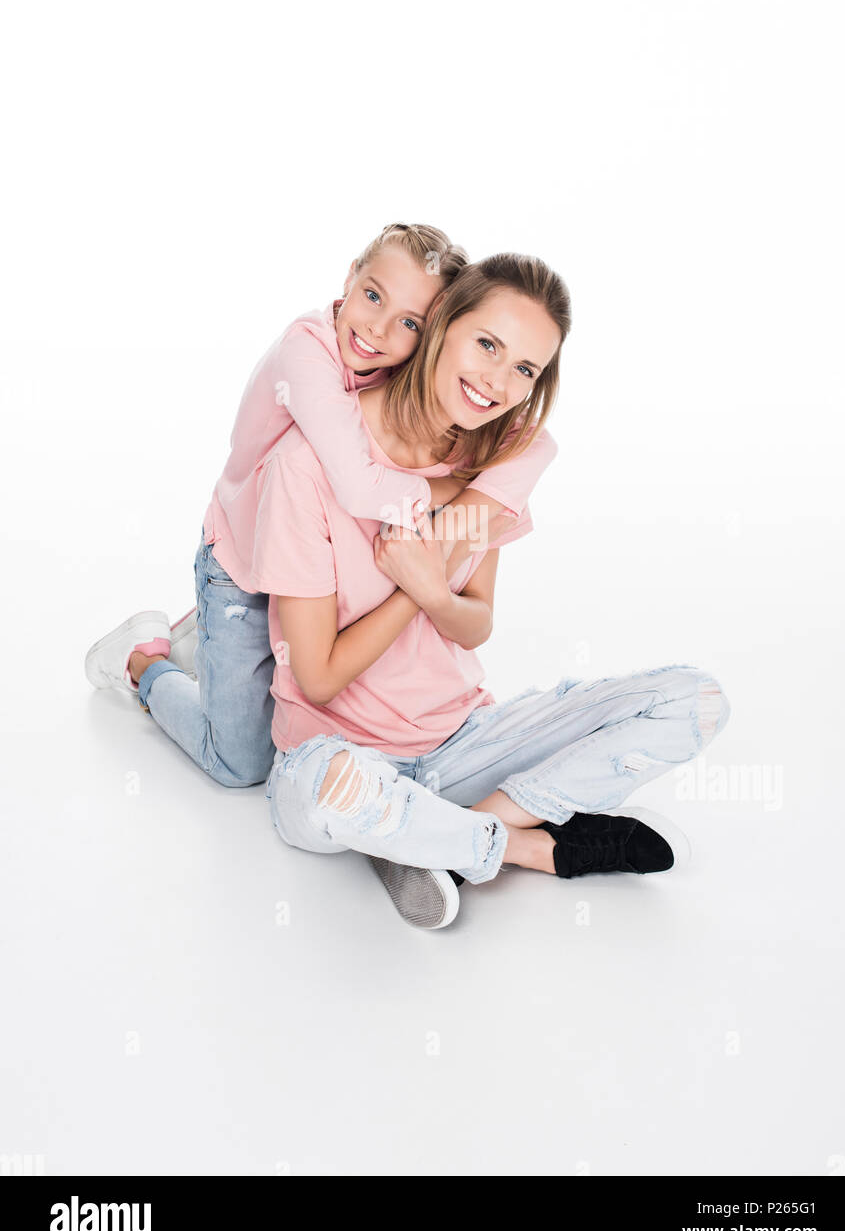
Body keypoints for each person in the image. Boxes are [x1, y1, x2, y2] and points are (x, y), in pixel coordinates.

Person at [257, 253, 731, 928]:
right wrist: (410, 590)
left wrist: (434, 590)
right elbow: (320, 677)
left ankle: (430, 836)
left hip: (464, 740)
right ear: (444, 323)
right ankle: (523, 847)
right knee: (332, 791)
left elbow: (474, 623)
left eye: (524, 369)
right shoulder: (304, 467)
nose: (497, 381)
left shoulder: (488, 462)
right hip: (333, 753)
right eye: (487, 344)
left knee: (697, 701)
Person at [85, 224, 557, 785]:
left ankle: (207, 648)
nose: (380, 328)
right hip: (239, 563)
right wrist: (456, 498)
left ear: (430, 333)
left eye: (410, 322)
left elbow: (537, 442)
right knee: (241, 763)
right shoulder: (307, 350)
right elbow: (358, 488)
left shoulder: (415, 380)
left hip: (308, 570)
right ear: (349, 276)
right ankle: (147, 661)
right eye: (373, 295)